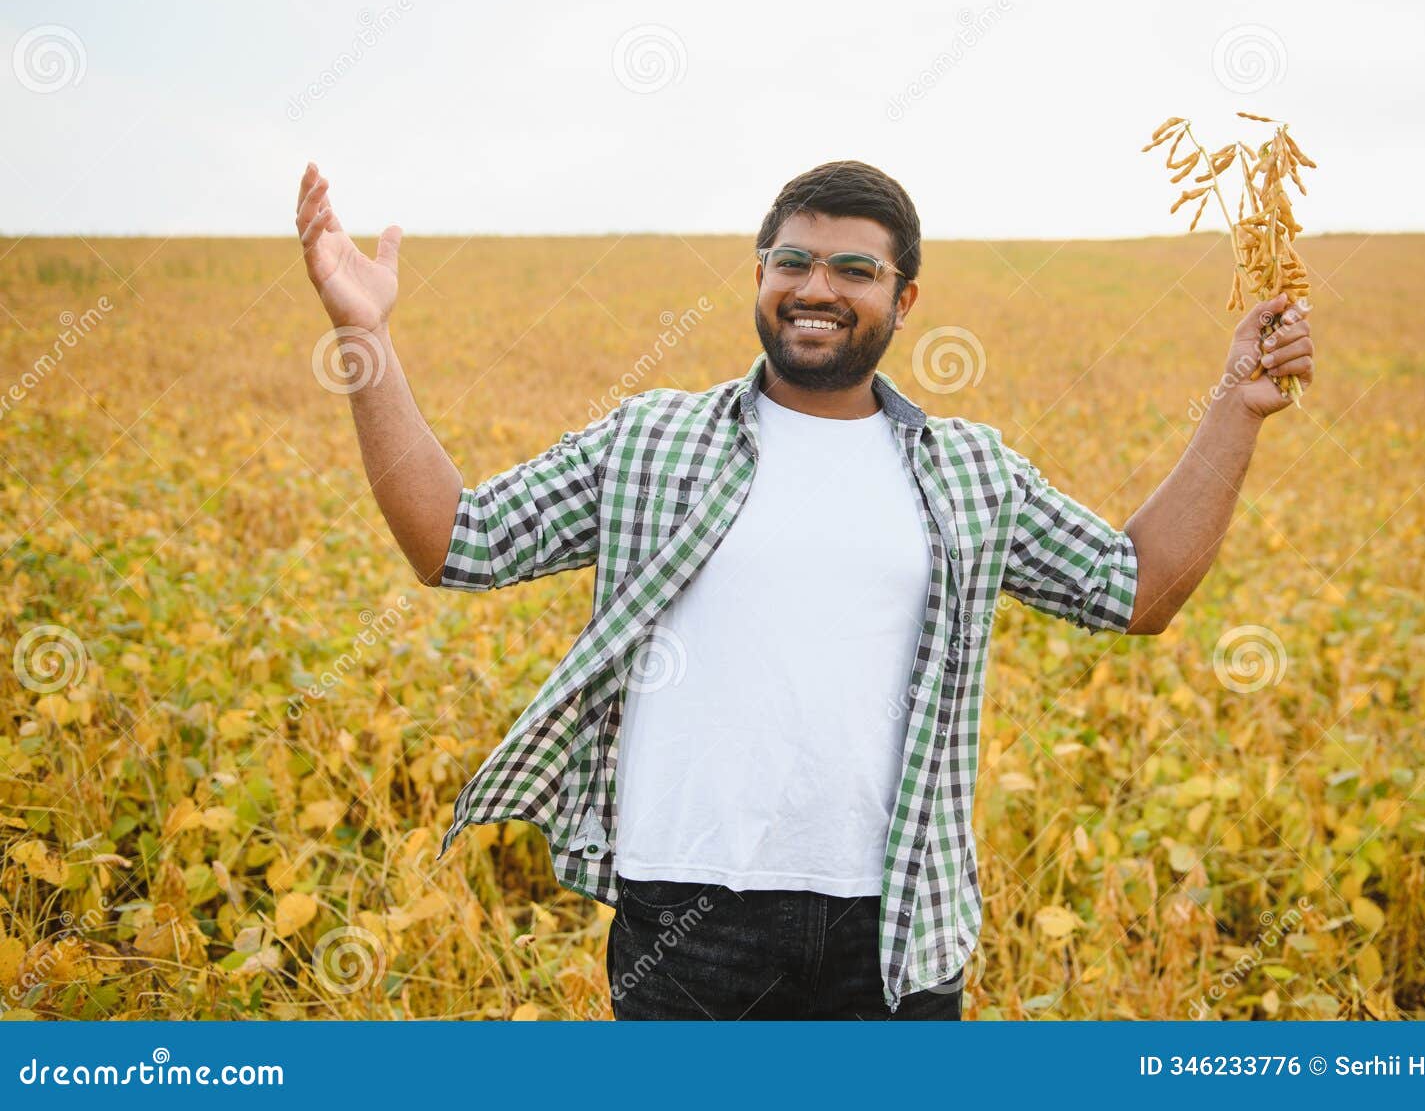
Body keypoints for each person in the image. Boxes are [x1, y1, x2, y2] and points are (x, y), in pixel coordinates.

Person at [293, 158, 1315, 1020]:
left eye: (854, 269)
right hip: (690, 927)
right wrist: (365, 335)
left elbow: (1133, 591)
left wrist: (1239, 405)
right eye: (793, 259)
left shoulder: (968, 469)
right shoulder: (651, 438)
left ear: (904, 299)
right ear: (759, 273)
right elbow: (455, 540)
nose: (815, 285)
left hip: (897, 930)